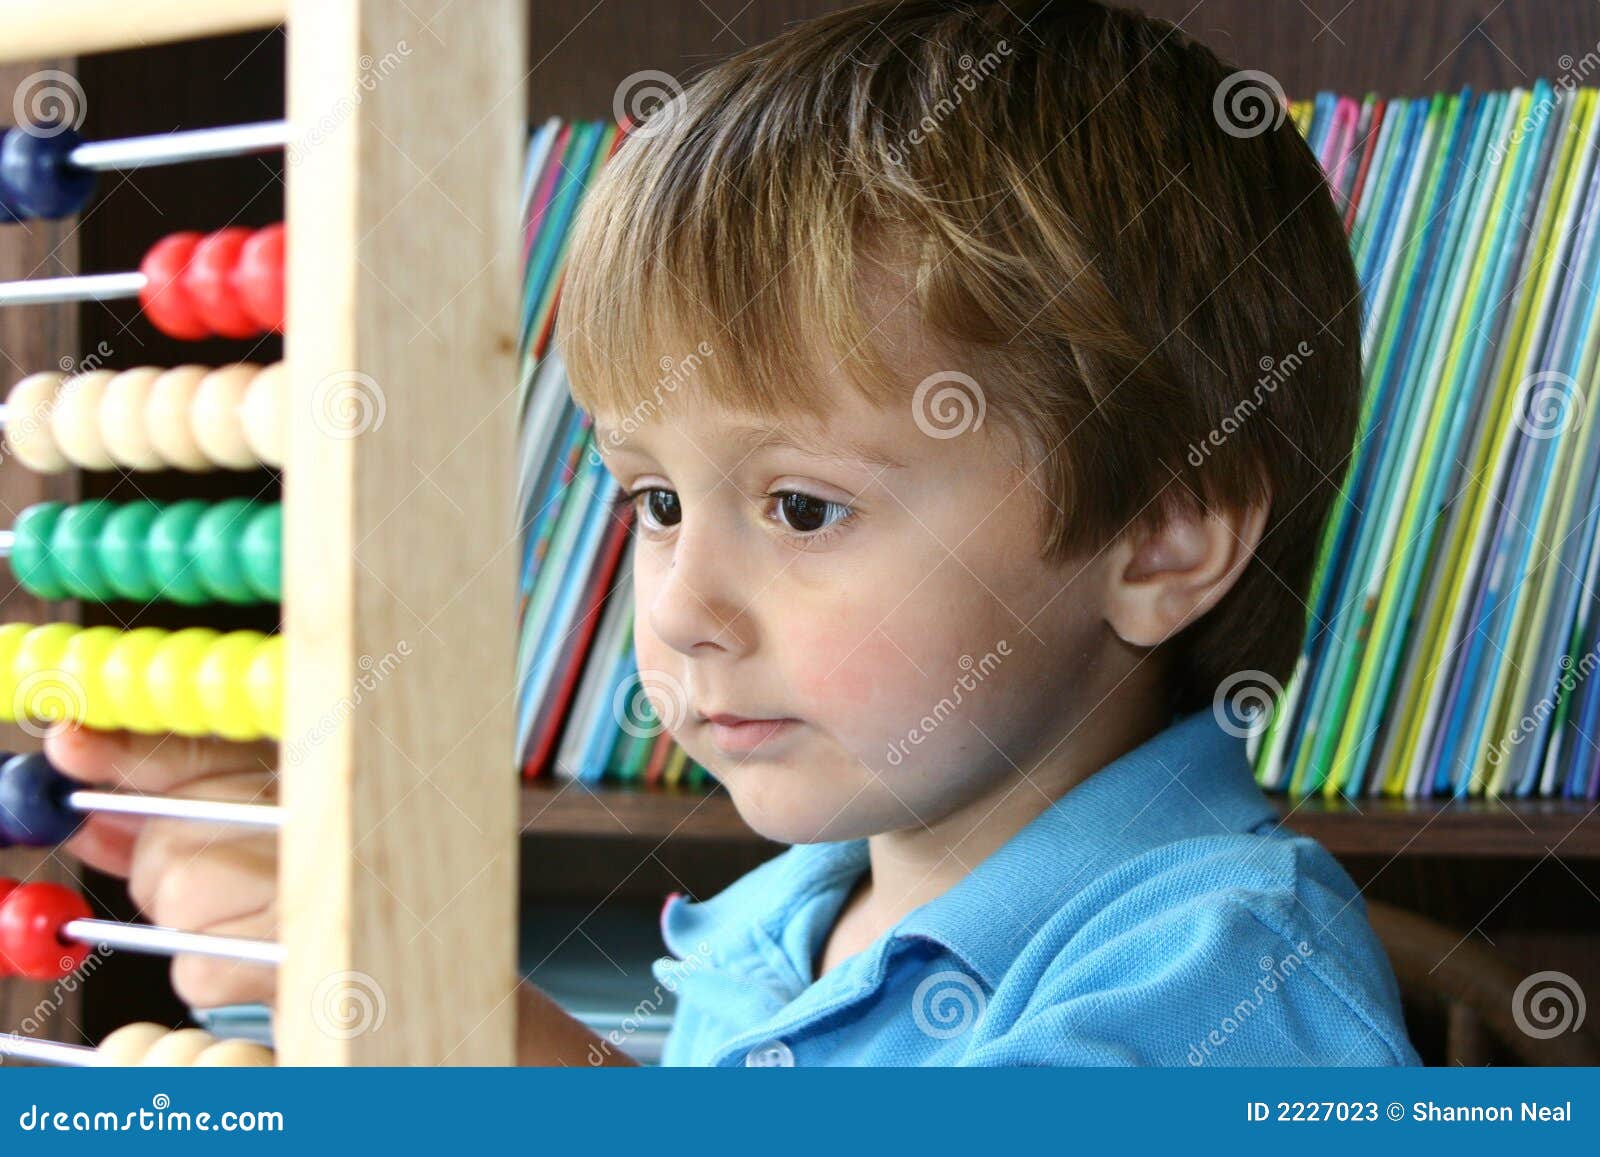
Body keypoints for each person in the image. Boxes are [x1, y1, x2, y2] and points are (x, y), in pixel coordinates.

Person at [51, 0, 1421, 1066]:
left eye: (803, 507)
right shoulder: (792, 915)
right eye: (655, 501)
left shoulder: (1226, 982)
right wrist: (358, 953)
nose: (684, 605)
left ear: (1163, 534)